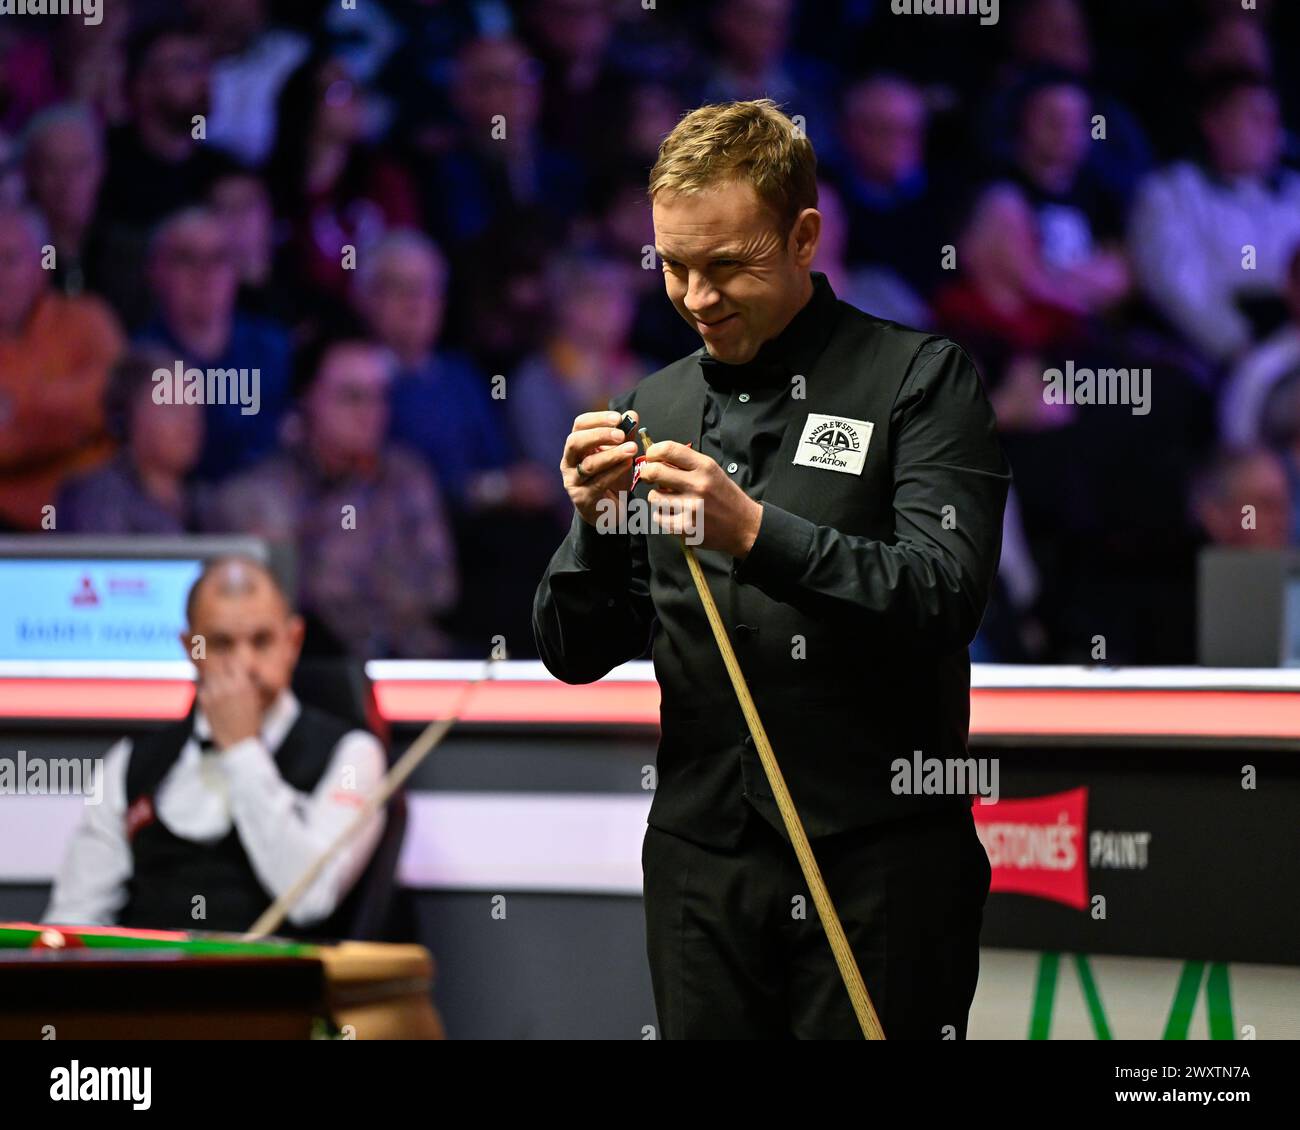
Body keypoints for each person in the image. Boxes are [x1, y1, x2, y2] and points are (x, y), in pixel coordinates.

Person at [532, 99, 1010, 1039]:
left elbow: (943, 593)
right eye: (673, 268)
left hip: (879, 863)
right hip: (701, 869)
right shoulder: (652, 404)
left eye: (726, 267)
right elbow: (576, 649)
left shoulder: (920, 380)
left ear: (802, 237)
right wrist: (593, 525)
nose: (697, 299)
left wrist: (753, 531)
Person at [44, 556, 387, 936]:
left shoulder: (352, 755)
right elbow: (73, 920)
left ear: (293, 641)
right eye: (221, 644)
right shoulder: (131, 764)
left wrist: (242, 749)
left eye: (262, 641)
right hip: (145, 989)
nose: (244, 665)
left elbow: (310, 900)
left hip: (276, 992)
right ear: (192, 648)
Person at [205, 337, 460, 659]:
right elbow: (275, 603)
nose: (371, 412)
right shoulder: (259, 490)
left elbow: (439, 588)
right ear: (308, 398)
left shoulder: (407, 477)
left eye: (379, 397)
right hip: (308, 669)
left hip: (409, 665)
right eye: (352, 397)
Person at [56, 347, 205, 534]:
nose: (189, 420)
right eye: (173, 406)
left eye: (194, 406)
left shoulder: (207, 504)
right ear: (129, 415)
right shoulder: (97, 500)